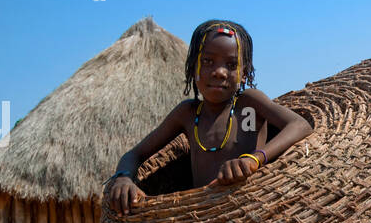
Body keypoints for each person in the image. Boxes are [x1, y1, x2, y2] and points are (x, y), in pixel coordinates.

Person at [105, 19, 314, 212]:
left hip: (249, 210)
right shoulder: (187, 113)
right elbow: (134, 155)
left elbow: (300, 125)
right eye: (207, 61)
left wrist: (253, 160)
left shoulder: (248, 104)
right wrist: (123, 178)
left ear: (244, 72)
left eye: (231, 65)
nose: (220, 72)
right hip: (204, 221)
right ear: (193, 67)